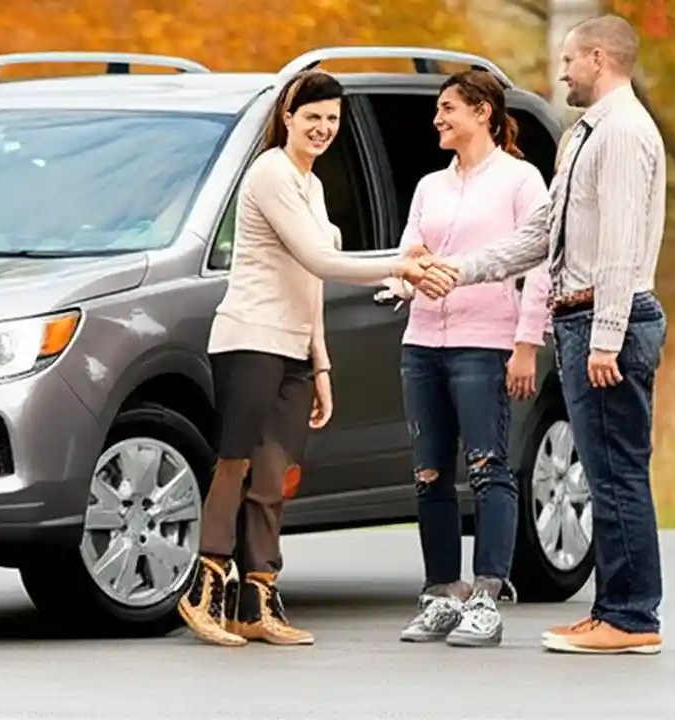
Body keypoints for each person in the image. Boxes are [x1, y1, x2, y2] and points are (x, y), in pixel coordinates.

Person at [413, 15, 668, 655]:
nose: (561, 72)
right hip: (580, 317)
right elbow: (542, 235)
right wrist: (464, 269)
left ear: (601, 59)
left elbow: (617, 245)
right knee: (605, 473)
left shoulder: (623, 134)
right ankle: (613, 608)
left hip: (607, 318)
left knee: (616, 477)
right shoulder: (587, 135)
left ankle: (632, 618)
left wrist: (607, 336)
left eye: (570, 60)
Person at [177, 70, 445, 647]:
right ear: (288, 119)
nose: (323, 129)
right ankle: (205, 594)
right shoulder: (271, 172)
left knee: (274, 477)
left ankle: (257, 601)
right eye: (312, 118)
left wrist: (320, 364)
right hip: (250, 338)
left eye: (332, 121)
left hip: (294, 348)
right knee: (236, 464)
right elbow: (319, 258)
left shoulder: (312, 184)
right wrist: (399, 263)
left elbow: (311, 282)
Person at [390, 70, 553, 648]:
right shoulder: (431, 185)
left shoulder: (520, 179)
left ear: (482, 112)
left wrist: (526, 342)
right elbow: (410, 250)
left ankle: (486, 595)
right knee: (429, 472)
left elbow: (539, 262)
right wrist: (414, 279)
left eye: (447, 108)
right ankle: (441, 594)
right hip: (423, 344)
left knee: (489, 468)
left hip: (486, 343)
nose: (438, 119)